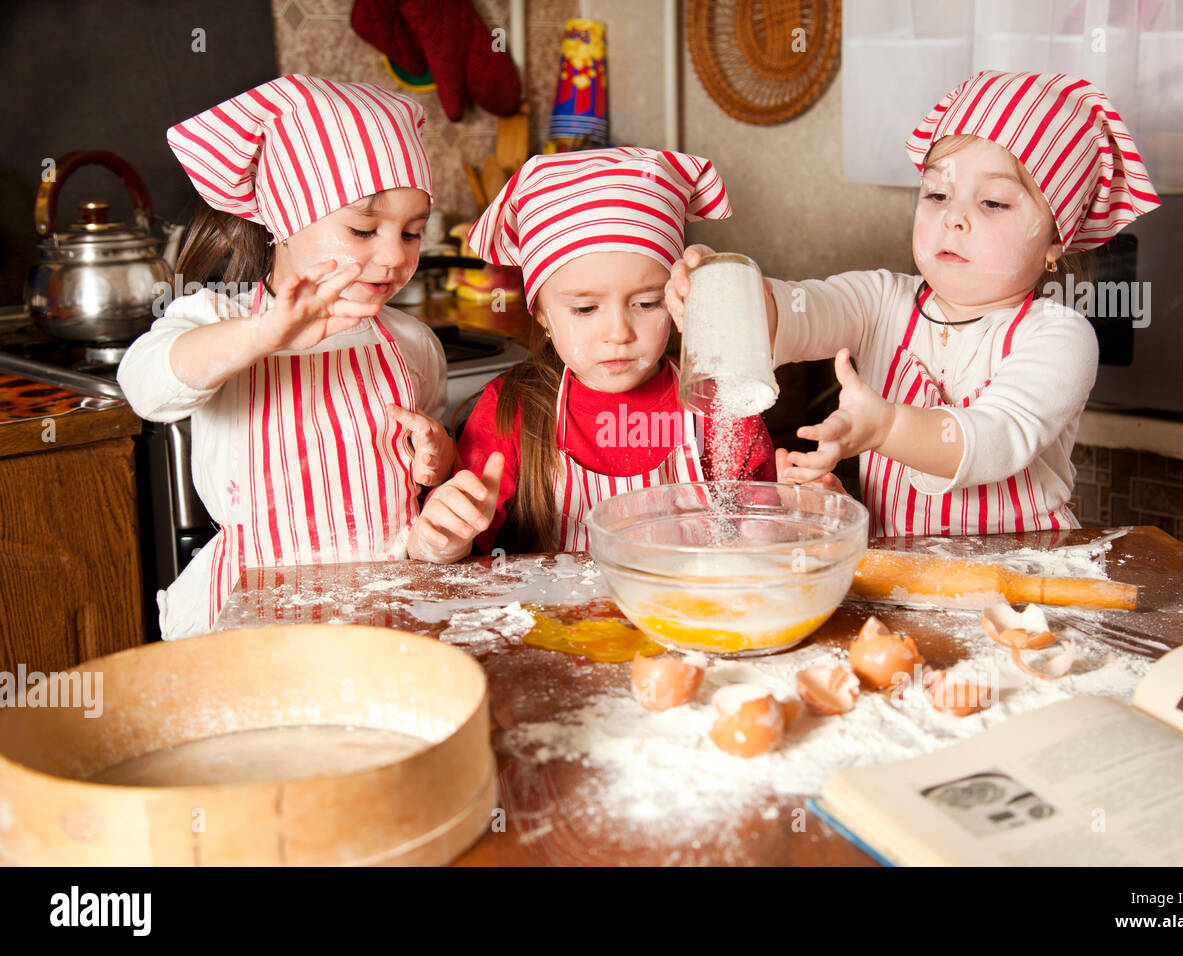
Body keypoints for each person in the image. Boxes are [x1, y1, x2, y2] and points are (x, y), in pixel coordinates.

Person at [668, 71, 1160, 536]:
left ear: (1055, 239)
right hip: (905, 587)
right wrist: (726, 291)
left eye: (992, 202)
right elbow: (801, 311)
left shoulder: (1059, 337)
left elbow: (994, 439)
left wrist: (886, 427)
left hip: (1027, 586)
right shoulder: (882, 300)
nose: (954, 219)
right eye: (937, 194)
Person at [119, 75, 455, 639]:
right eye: (363, 228)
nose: (394, 256)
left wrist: (437, 461)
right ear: (284, 219)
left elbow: (429, 474)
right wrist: (262, 336)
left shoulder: (412, 344)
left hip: (387, 609)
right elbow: (145, 386)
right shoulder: (218, 322)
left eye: (413, 233)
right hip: (251, 617)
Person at [415, 147, 777, 560]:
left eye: (646, 304)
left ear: (680, 299)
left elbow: (760, 547)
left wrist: (798, 510)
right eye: (585, 309)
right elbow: (454, 555)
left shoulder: (719, 409)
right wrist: (444, 540)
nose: (618, 333)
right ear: (542, 314)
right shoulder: (512, 411)